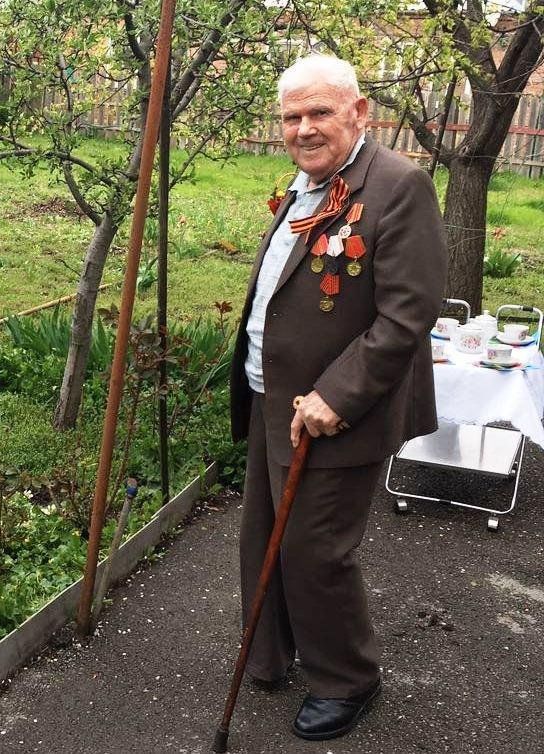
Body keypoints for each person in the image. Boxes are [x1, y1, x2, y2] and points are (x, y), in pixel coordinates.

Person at [229, 54, 447, 741]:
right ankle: (268, 655)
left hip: (335, 411)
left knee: (316, 552)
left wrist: (336, 394)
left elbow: (409, 314)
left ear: (358, 112)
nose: (303, 127)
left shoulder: (398, 186)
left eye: (319, 112)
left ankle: (348, 678)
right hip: (276, 398)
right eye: (292, 116)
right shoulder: (306, 183)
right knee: (263, 536)